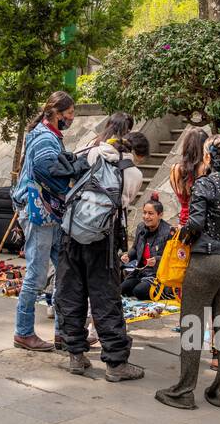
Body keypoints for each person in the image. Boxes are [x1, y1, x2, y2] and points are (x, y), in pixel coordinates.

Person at [155, 134, 220, 410]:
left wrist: (182, 236)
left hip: (207, 261)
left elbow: (195, 223)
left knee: (192, 325)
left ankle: (184, 390)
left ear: (207, 156)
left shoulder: (205, 184)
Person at [56, 112, 147, 382]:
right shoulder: (133, 172)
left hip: (72, 232)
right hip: (103, 239)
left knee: (71, 293)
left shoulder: (92, 152)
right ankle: (116, 364)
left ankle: (75, 356)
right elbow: (124, 203)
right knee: (105, 299)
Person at [12, 92, 76, 351]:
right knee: (37, 276)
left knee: (63, 271)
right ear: (57, 113)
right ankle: (23, 331)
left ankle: (63, 331)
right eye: (69, 114)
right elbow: (46, 170)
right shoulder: (44, 138)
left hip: (50, 213)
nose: (71, 119)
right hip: (39, 212)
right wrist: (71, 176)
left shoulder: (48, 136)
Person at [121, 198, 174, 299]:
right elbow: (135, 249)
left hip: (158, 275)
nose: (146, 217)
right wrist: (128, 256)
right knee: (122, 289)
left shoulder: (169, 232)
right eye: (144, 213)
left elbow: (173, 259)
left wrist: (157, 260)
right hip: (141, 271)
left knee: (138, 291)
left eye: (150, 213)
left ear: (160, 215)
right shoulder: (141, 227)